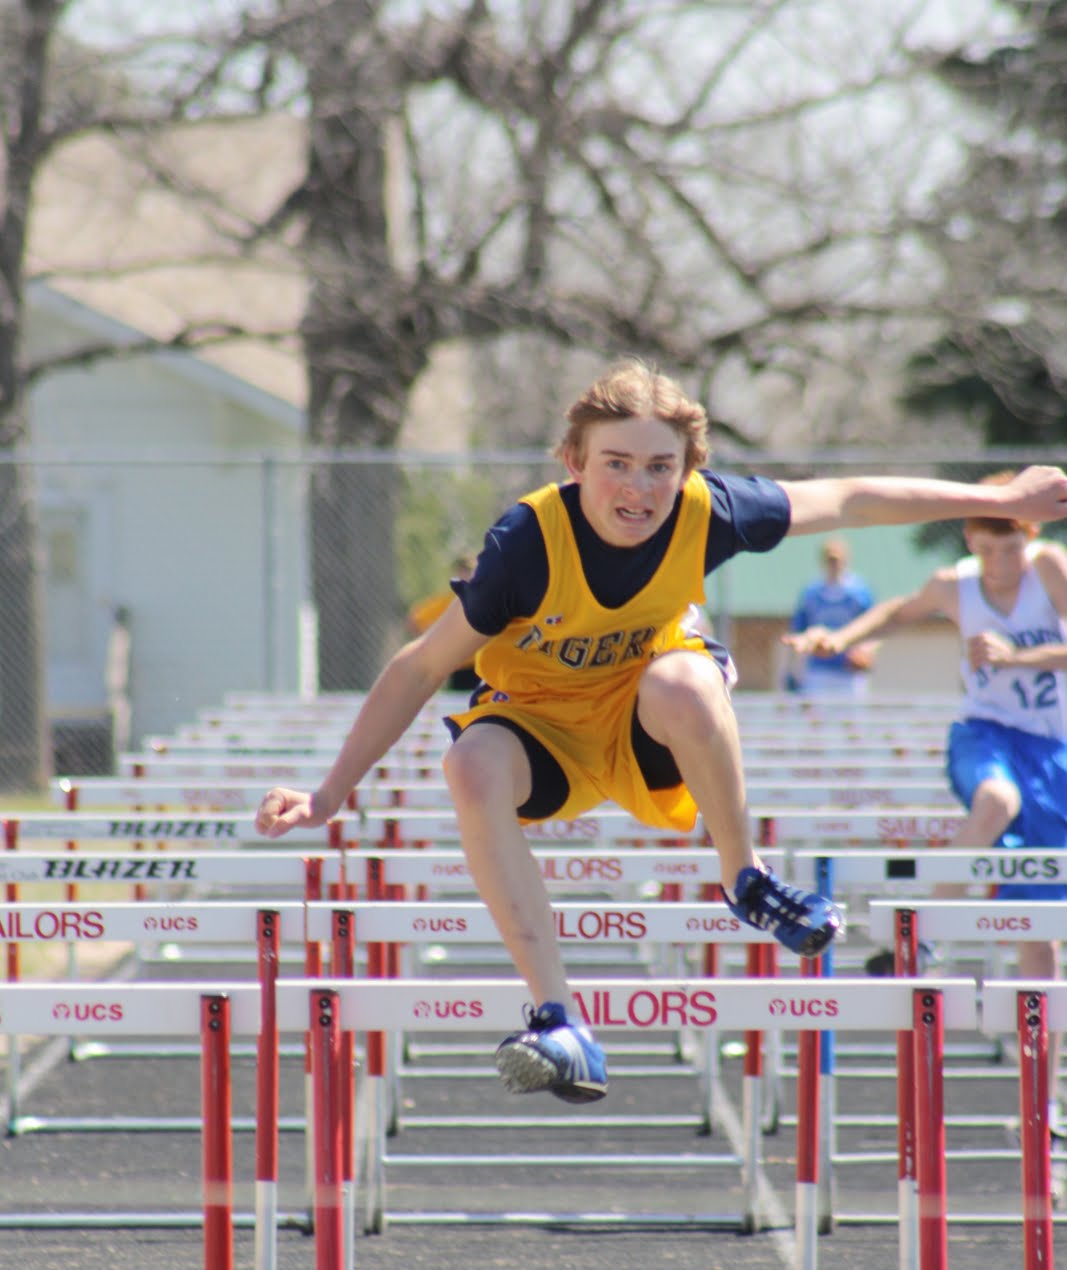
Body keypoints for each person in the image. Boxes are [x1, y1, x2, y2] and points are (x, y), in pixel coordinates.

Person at [255, 361, 1067, 1106]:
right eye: (616, 464)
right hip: (542, 727)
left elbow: (851, 497)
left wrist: (998, 503)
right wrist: (330, 793)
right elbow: (418, 667)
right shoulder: (525, 545)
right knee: (468, 763)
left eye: (658, 466)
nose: (638, 488)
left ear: (686, 471)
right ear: (572, 462)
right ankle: (557, 1018)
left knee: (682, 677)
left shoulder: (708, 512)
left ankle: (744, 876)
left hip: (649, 717)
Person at [785, 469, 1067, 1130]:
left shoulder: (1049, 571)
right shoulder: (954, 585)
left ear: (1029, 539)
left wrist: (1017, 658)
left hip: (1052, 757)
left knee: (1041, 944)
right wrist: (843, 637)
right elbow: (897, 610)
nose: (998, 565)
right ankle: (928, 934)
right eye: (985, 549)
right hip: (984, 736)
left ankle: (1043, 1102)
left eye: (1009, 550)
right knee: (993, 802)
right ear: (969, 539)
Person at [783, 538, 877, 696]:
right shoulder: (812, 594)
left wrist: (866, 651)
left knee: (850, 720)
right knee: (817, 719)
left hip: (849, 671)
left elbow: (873, 627)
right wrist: (793, 668)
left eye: (837, 559)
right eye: (830, 559)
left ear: (846, 560)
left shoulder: (859, 593)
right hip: (819, 669)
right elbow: (799, 631)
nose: (834, 564)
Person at [407, 555, 479, 691]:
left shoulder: (485, 598)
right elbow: (415, 620)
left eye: (469, 570)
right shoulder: (448, 601)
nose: (465, 575)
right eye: (462, 571)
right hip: (461, 665)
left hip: (481, 663)